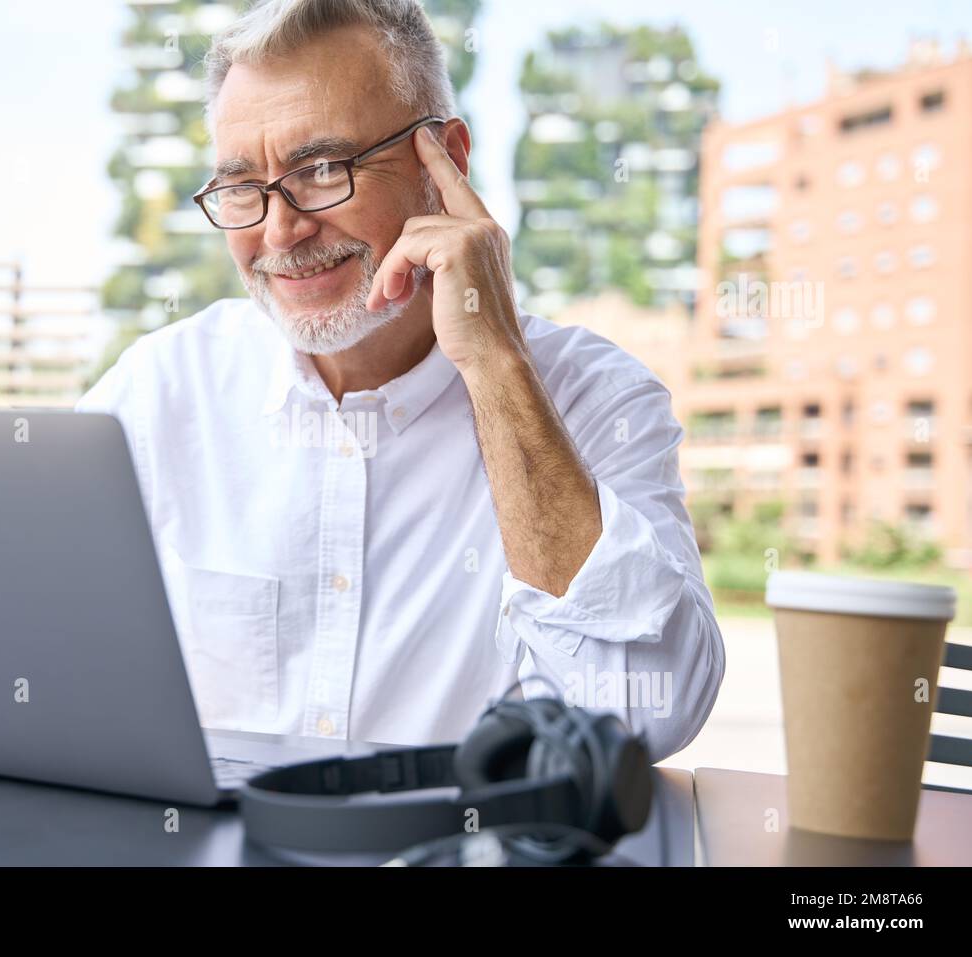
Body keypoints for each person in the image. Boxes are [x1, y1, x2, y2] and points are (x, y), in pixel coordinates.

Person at [78, 0, 724, 761]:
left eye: (322, 170)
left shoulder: (598, 400)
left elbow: (643, 711)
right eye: (243, 186)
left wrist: (494, 363)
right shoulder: (158, 391)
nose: (280, 231)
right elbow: (32, 657)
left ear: (443, 159)